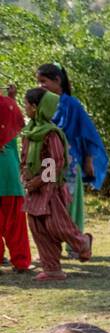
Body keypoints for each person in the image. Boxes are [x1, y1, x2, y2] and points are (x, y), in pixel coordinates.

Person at [21, 89, 91, 281]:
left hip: (51, 189)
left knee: (57, 225)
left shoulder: (51, 134)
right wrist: (24, 176)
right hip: (34, 190)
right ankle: (52, 268)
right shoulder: (29, 132)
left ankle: (83, 243)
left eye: (26, 104)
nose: (24, 108)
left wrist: (38, 181)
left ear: (36, 108)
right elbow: (25, 158)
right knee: (38, 227)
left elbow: (55, 161)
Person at [34, 64, 108, 239]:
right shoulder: (43, 104)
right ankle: (52, 244)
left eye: (43, 81)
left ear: (57, 80)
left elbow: (88, 133)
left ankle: (76, 242)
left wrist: (89, 160)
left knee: (69, 202)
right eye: (38, 82)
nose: (40, 86)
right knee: (49, 200)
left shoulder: (72, 105)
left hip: (70, 163)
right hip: (49, 161)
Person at [0, 86, 32, 273]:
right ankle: (21, 262)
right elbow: (18, 125)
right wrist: (11, 99)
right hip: (10, 176)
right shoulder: (9, 106)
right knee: (16, 224)